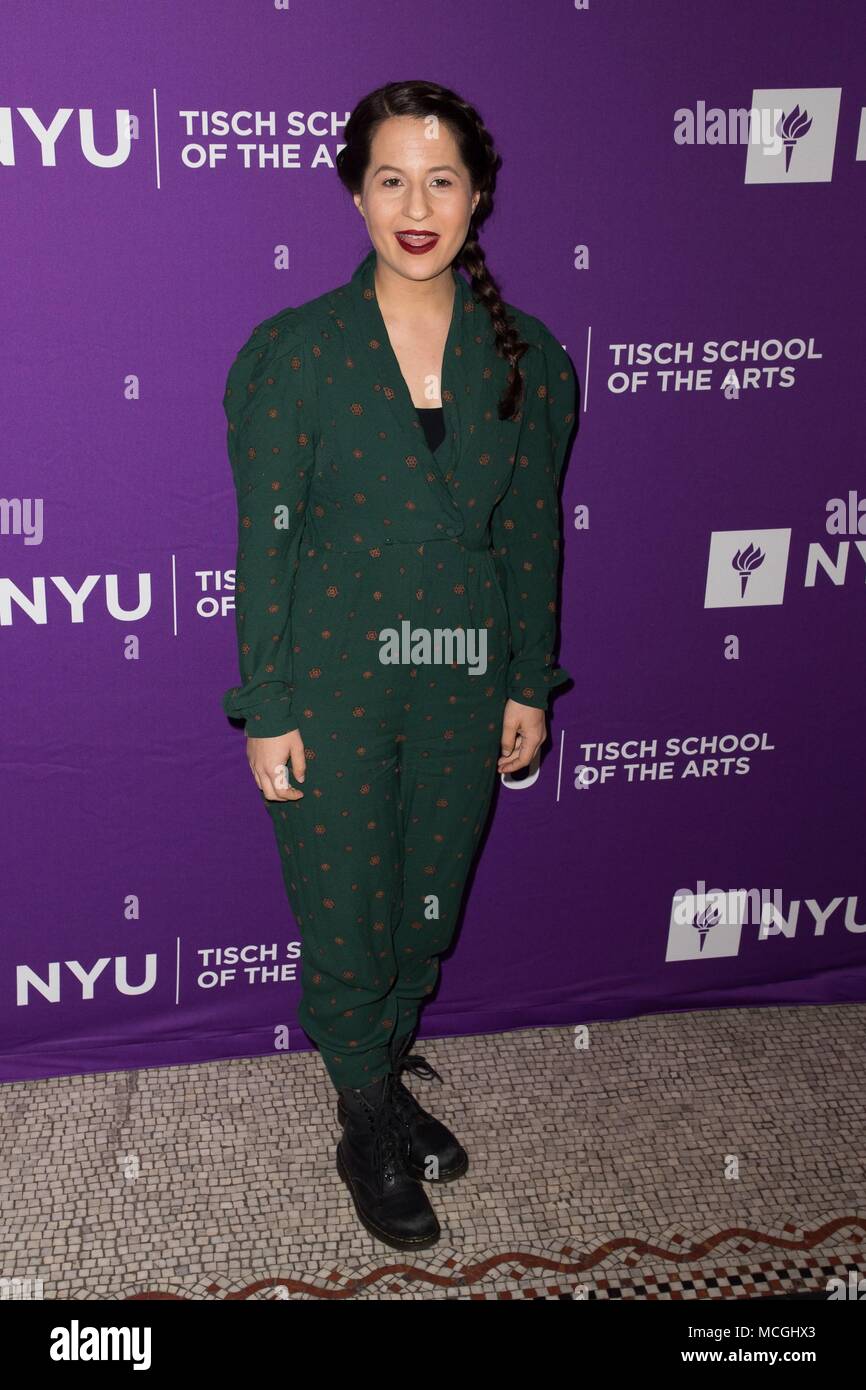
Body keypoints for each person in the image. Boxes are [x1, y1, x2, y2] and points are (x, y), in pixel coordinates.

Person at [221, 80, 577, 1251]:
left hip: (463, 672)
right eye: (389, 178)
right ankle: (363, 1111)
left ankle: (384, 1068)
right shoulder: (296, 354)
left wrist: (527, 678)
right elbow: (262, 545)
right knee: (346, 910)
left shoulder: (527, 358)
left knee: (426, 901)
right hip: (332, 672)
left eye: (440, 179)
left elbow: (528, 535)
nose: (415, 205)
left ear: (477, 195)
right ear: (354, 192)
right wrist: (265, 704)